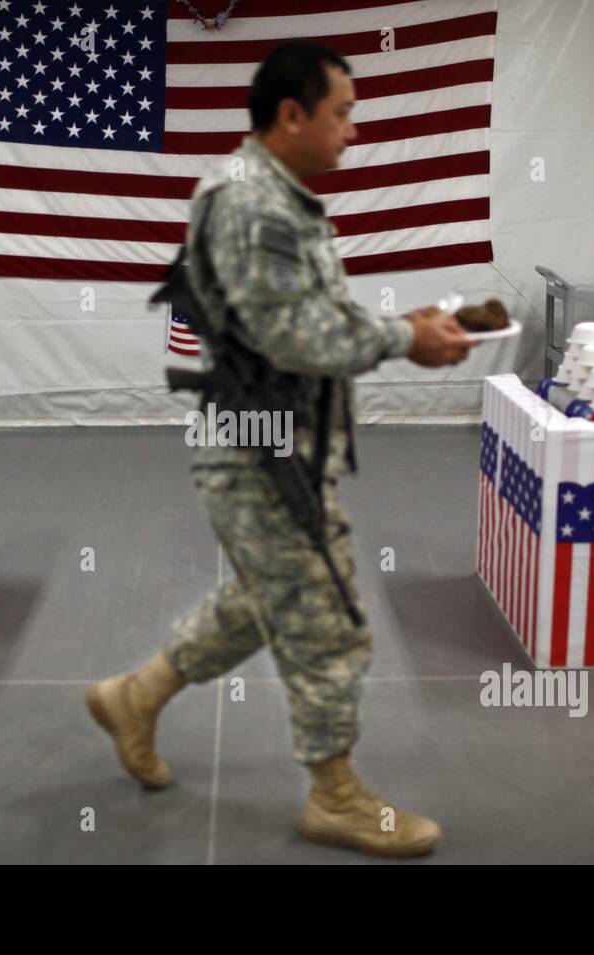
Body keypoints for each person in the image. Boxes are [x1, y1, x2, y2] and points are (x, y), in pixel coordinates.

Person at [86, 42, 482, 858]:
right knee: (330, 618)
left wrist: (403, 327)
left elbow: (298, 316)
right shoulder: (252, 202)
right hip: (258, 456)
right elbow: (291, 332)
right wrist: (404, 338)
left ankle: (136, 695)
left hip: (272, 449)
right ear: (291, 114)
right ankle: (335, 797)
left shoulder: (269, 196)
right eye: (342, 112)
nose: (352, 130)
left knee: (265, 601)